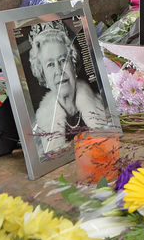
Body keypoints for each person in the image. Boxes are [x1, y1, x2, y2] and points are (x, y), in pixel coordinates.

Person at [28, 20, 113, 152]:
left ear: (73, 63)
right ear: (42, 75)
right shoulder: (41, 126)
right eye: (50, 64)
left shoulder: (102, 105)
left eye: (63, 60)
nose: (59, 71)